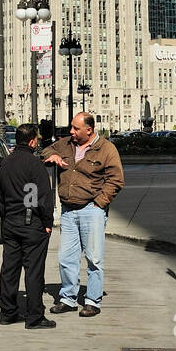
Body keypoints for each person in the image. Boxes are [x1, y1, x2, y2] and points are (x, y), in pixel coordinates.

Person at [41, 111, 124, 317]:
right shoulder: (67, 144)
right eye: (71, 127)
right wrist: (51, 156)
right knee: (66, 258)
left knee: (94, 259)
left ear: (89, 130)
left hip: (91, 210)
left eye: (76, 128)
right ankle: (68, 298)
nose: (71, 131)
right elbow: (45, 151)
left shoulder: (106, 149)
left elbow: (116, 180)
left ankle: (92, 301)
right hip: (69, 211)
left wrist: (99, 204)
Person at [0, 123, 56, 329]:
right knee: (33, 271)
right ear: (32, 141)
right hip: (32, 223)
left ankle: (7, 312)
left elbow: (1, 196)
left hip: (11, 222)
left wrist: (6, 220)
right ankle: (34, 317)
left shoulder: (5, 163)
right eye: (37, 139)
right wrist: (47, 223)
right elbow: (44, 196)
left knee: (9, 269)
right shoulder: (35, 164)